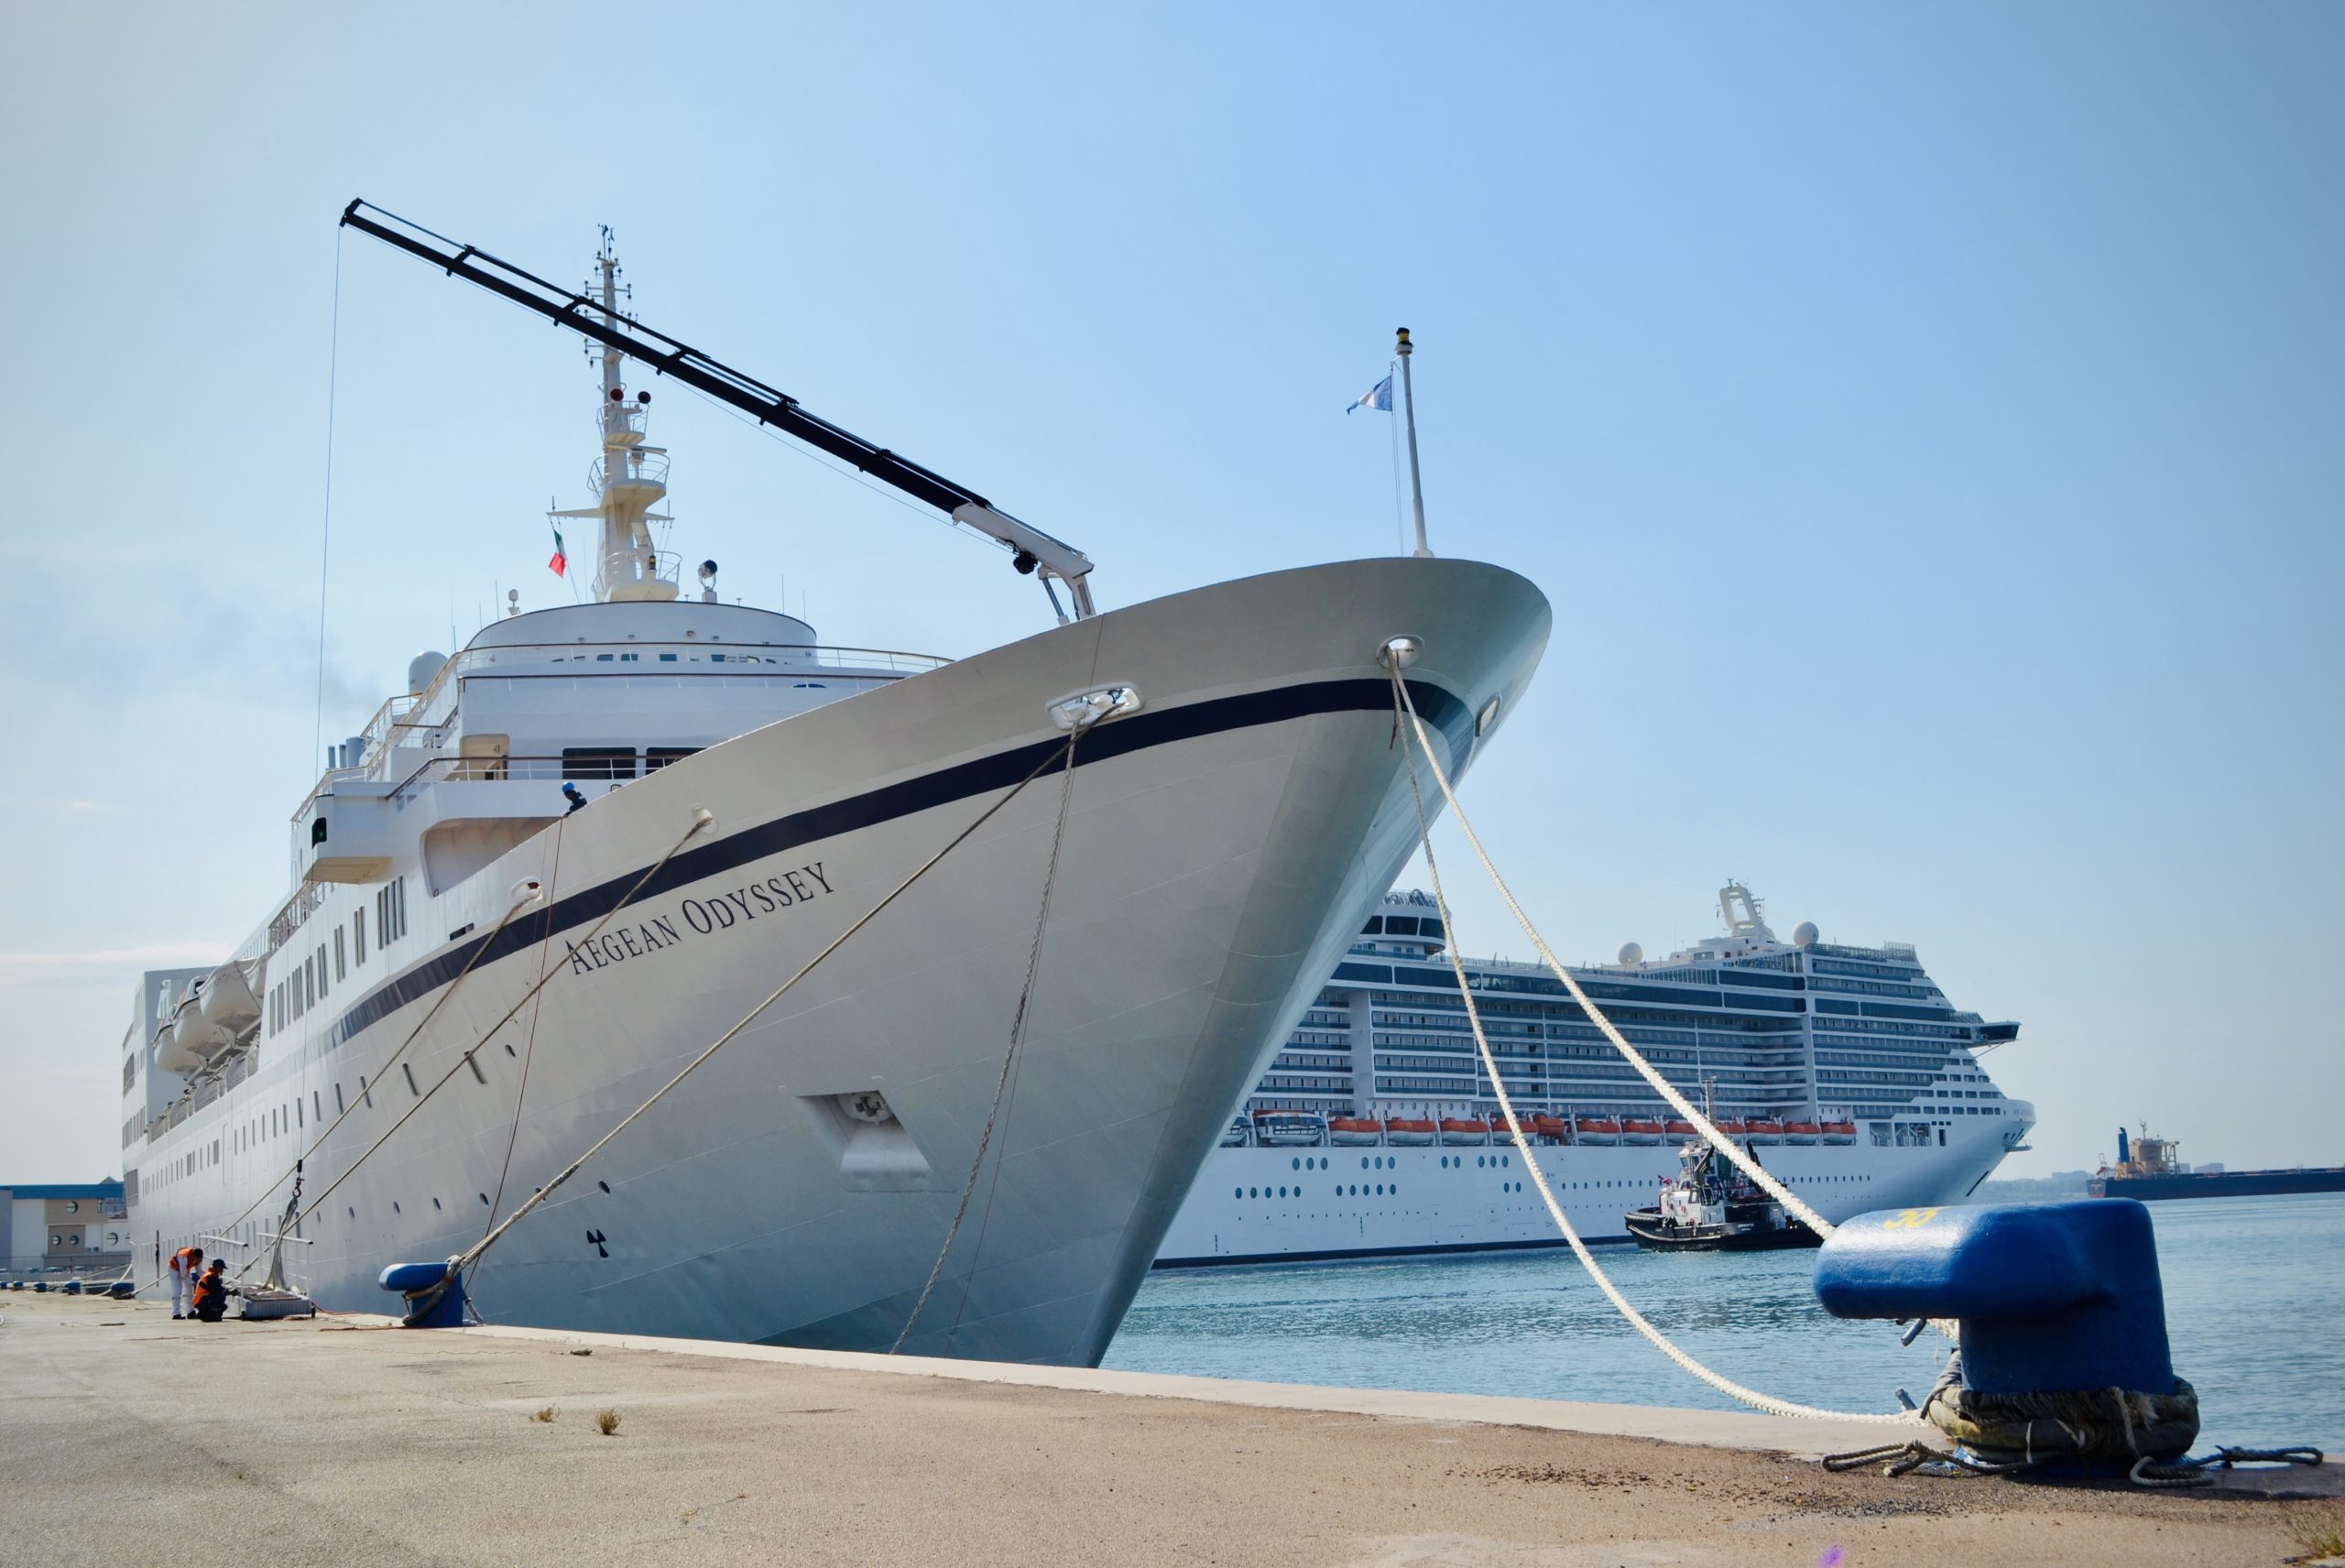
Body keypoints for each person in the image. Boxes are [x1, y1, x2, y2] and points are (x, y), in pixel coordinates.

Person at [167, 1245, 204, 1319]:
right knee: (177, 1290)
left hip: (185, 1270)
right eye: (197, 1259)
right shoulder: (183, 1257)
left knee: (189, 1291)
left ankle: (190, 1312)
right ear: (193, 1256)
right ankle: (176, 1313)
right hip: (174, 1268)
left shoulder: (199, 1259)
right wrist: (193, 1282)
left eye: (199, 1259)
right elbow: (183, 1276)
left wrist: (207, 1278)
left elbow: (199, 1271)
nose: (197, 1261)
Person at [191, 1259, 233, 1323]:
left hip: (202, 1299)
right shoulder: (210, 1276)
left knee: (223, 1305)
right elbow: (217, 1289)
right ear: (217, 1267)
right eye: (221, 1268)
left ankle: (208, 1315)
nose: (222, 1270)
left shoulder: (211, 1275)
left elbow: (217, 1288)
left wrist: (227, 1291)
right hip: (201, 1300)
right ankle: (209, 1315)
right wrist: (230, 1292)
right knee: (220, 1297)